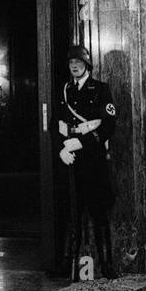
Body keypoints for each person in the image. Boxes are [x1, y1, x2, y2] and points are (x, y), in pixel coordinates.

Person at [55, 45, 116, 278]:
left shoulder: (100, 90)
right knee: (72, 215)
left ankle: (107, 265)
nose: (74, 66)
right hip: (70, 163)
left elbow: (108, 126)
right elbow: (55, 124)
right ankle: (68, 266)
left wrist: (81, 143)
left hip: (93, 164)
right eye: (71, 62)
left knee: (99, 214)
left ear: (87, 65)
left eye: (79, 62)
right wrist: (61, 149)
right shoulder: (64, 91)